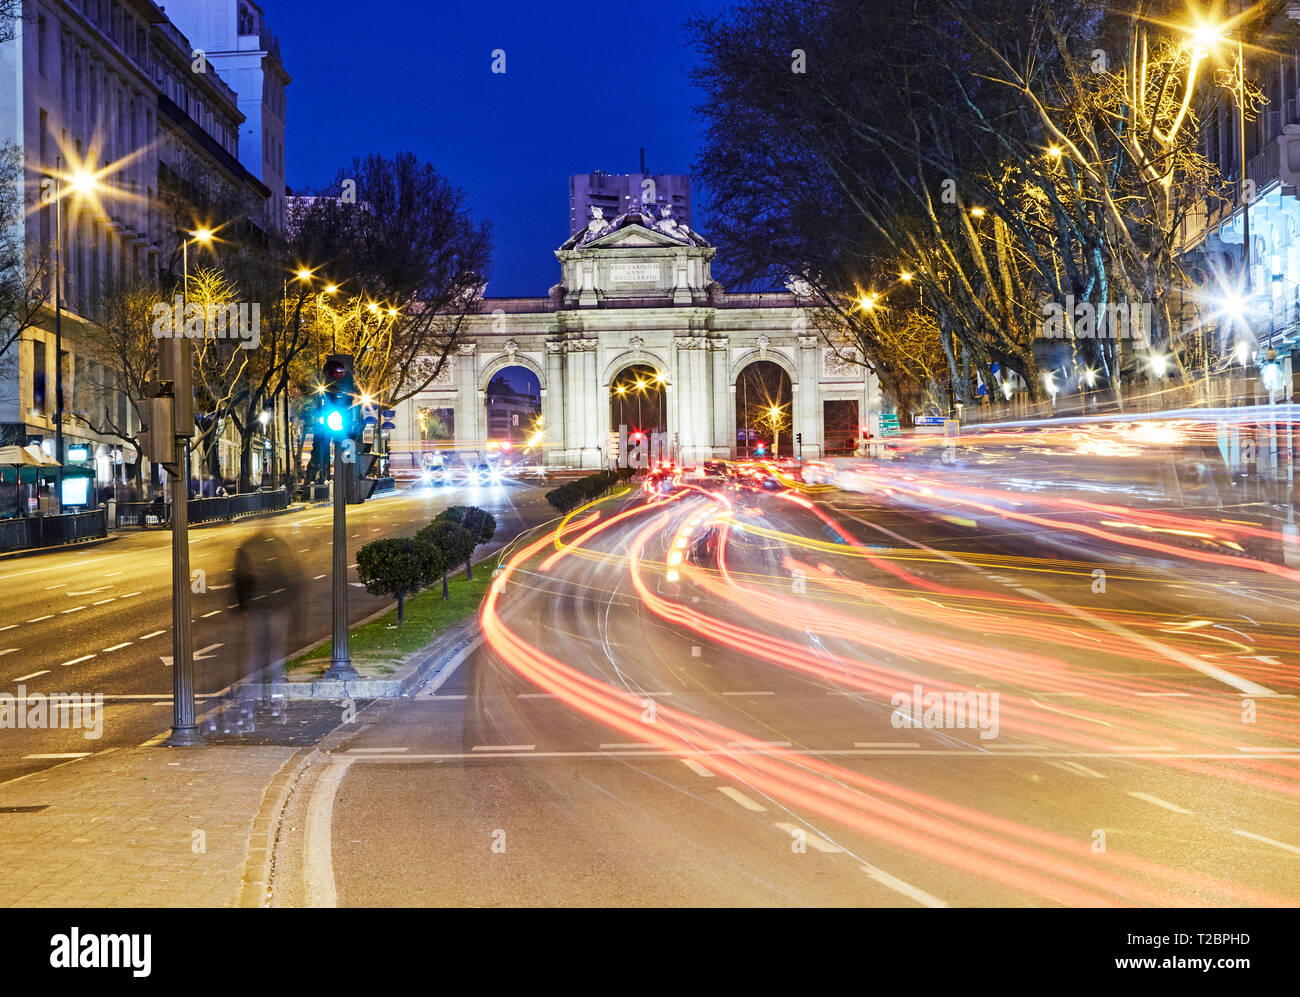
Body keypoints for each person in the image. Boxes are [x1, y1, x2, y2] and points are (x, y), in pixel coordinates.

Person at [231, 530, 306, 714]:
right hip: (276, 609)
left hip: (257, 609)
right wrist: (291, 604)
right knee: (275, 657)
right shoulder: (278, 546)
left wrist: (240, 608)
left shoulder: (247, 546)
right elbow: (293, 577)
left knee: (256, 656)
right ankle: (276, 701)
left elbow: (239, 579)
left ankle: (251, 701)